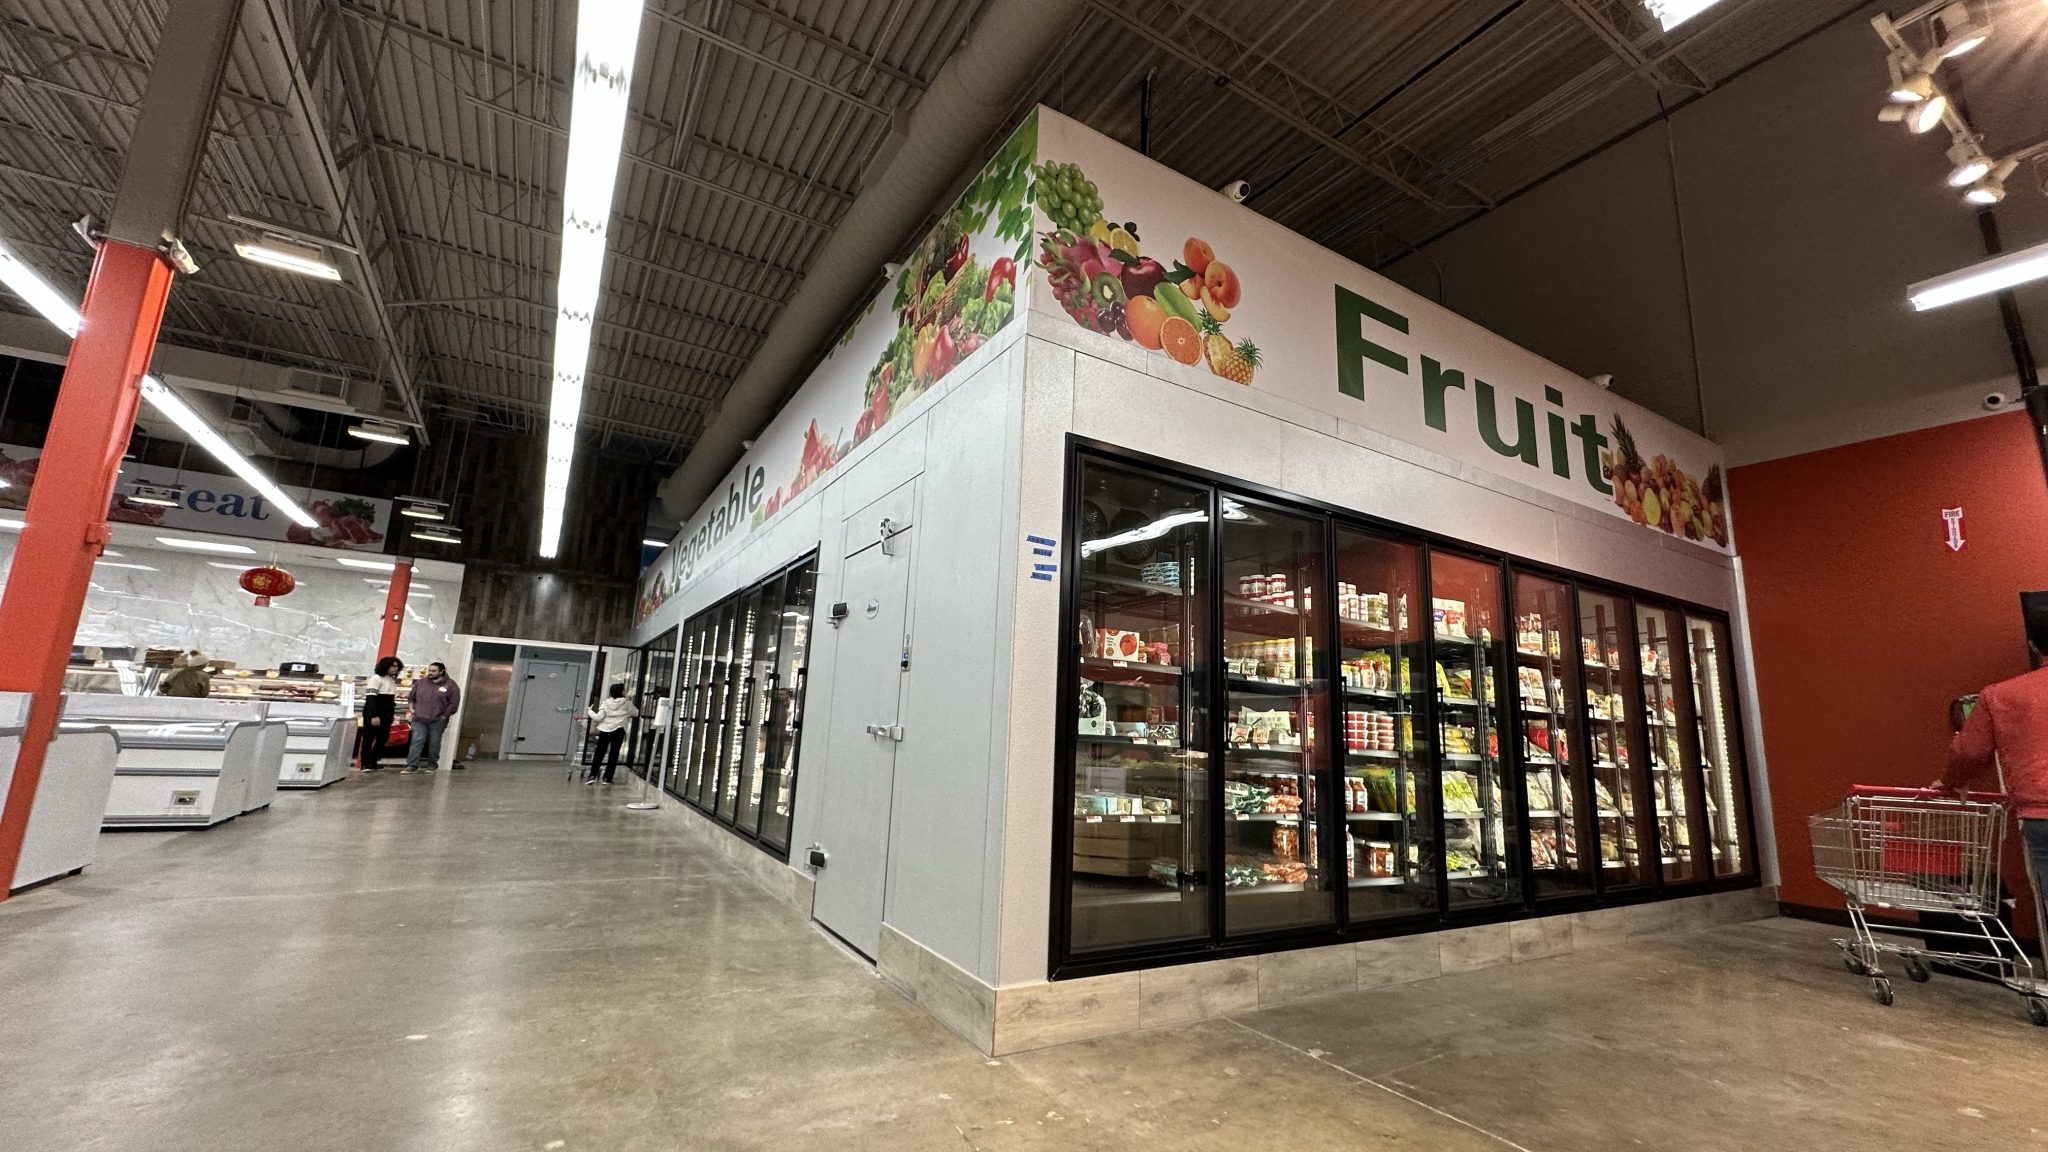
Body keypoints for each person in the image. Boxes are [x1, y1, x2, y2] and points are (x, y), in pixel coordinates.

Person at [1939, 608, 2048, 939]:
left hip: (2040, 814)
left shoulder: (1999, 695)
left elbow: (1969, 752)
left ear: (2033, 645)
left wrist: (1950, 782)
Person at [403, 662, 461, 773]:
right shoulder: (420, 683)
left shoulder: (451, 685)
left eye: (433, 671)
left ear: (441, 671)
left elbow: (454, 703)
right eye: (429, 670)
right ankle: (412, 765)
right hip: (419, 718)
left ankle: (432, 764)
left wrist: (445, 716)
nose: (430, 673)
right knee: (417, 740)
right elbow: (411, 698)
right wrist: (412, 709)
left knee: (434, 742)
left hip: (438, 720)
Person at [585, 683, 635, 785]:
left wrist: (589, 711)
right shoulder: (627, 704)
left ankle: (592, 775)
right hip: (619, 730)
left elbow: (598, 717)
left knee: (599, 753)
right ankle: (607, 778)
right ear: (622, 692)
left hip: (604, 730)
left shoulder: (606, 703)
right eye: (624, 690)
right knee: (614, 754)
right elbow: (636, 713)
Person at [361, 656, 403, 771]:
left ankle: (374, 761)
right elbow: (371, 699)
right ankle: (366, 763)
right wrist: (373, 715)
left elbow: (390, 700)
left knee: (383, 738)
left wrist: (391, 715)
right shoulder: (376, 679)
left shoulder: (391, 680)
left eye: (397, 666)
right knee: (369, 738)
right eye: (393, 666)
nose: (395, 668)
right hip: (375, 712)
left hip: (387, 714)